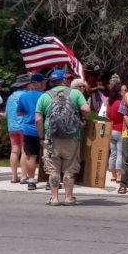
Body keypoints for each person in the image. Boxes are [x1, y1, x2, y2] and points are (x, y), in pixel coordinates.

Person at [35, 69, 90, 205]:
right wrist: (81, 117)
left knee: (53, 169)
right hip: (72, 137)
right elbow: (86, 110)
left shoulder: (44, 96)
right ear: (64, 80)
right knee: (69, 168)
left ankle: (54, 198)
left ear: (51, 82)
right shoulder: (75, 93)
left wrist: (41, 137)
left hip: (51, 138)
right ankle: (68, 198)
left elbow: (37, 119)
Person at [16, 75, 46, 190]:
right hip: (44, 129)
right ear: (41, 83)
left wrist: (29, 113)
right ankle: (50, 181)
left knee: (31, 156)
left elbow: (19, 113)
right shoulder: (45, 95)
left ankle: (31, 181)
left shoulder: (24, 96)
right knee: (48, 156)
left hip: (28, 129)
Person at [4, 74, 31, 184]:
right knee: (24, 151)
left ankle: (14, 176)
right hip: (23, 126)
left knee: (14, 151)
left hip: (12, 127)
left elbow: (6, 114)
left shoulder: (11, 97)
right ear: (26, 85)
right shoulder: (26, 96)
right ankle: (24, 176)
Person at [104, 82, 124, 185]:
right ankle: (119, 175)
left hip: (111, 129)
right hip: (120, 129)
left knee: (113, 153)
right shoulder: (120, 103)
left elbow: (107, 115)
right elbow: (124, 116)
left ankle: (113, 175)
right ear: (119, 92)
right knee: (120, 153)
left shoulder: (110, 103)